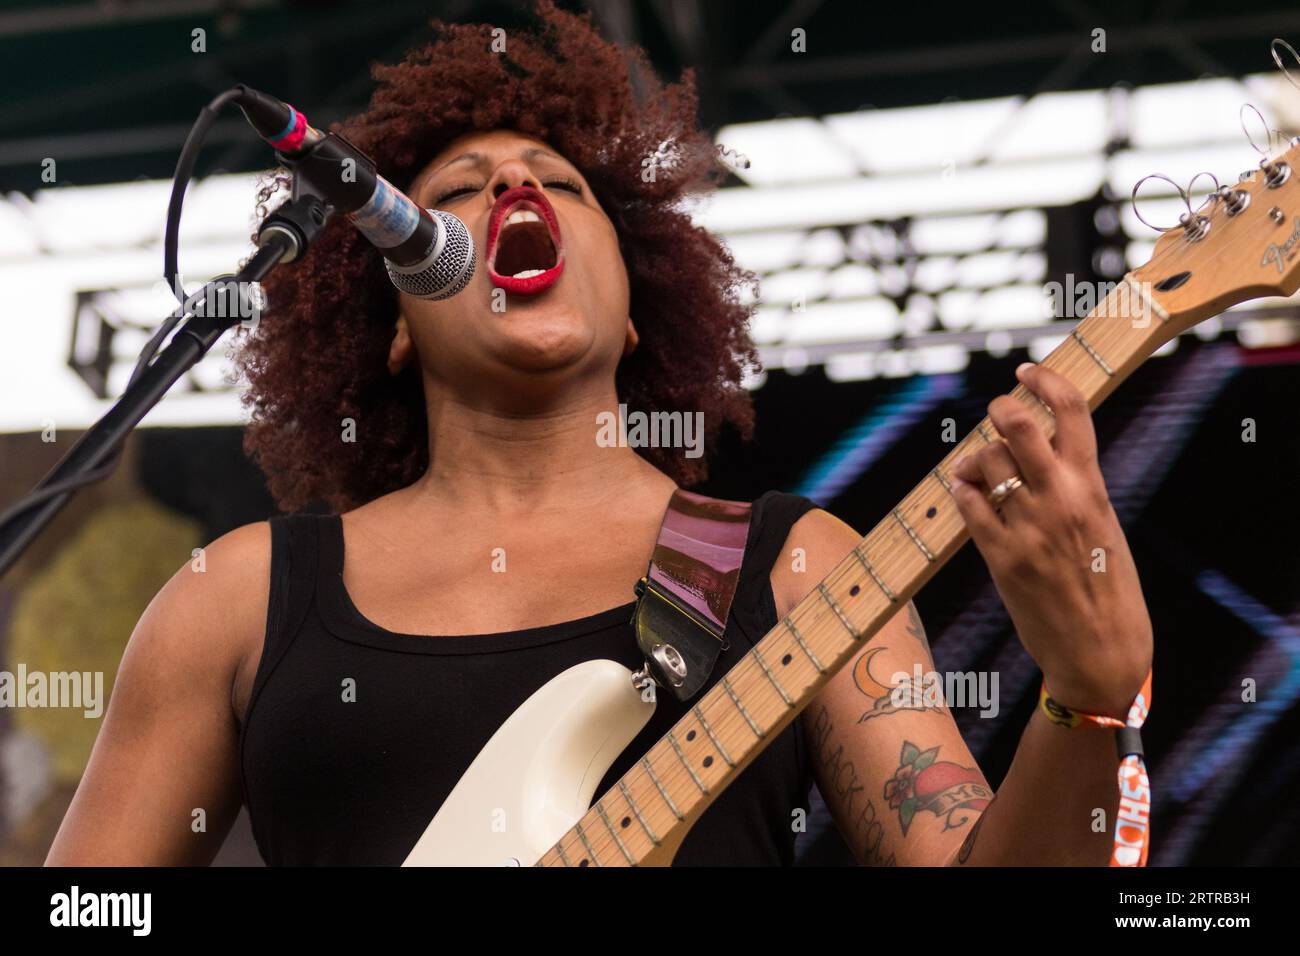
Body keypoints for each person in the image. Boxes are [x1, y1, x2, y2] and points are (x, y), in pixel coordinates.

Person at [46, 1, 1152, 866]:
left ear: (632, 307)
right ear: (391, 324)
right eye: (459, 189)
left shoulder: (801, 566)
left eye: (560, 184)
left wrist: (1087, 699)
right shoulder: (236, 596)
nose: (514, 185)